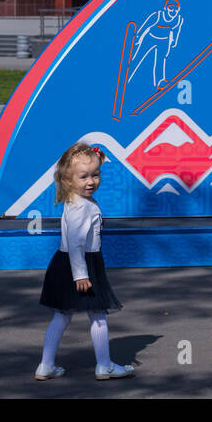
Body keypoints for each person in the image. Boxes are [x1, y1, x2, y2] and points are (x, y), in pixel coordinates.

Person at [36, 143, 135, 381]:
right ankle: (104, 365)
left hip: (66, 263)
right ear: (68, 179)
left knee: (62, 315)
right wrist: (80, 274)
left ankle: (46, 365)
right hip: (81, 265)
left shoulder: (75, 202)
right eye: (84, 176)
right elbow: (77, 242)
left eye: (95, 174)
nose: (91, 181)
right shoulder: (81, 207)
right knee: (98, 314)